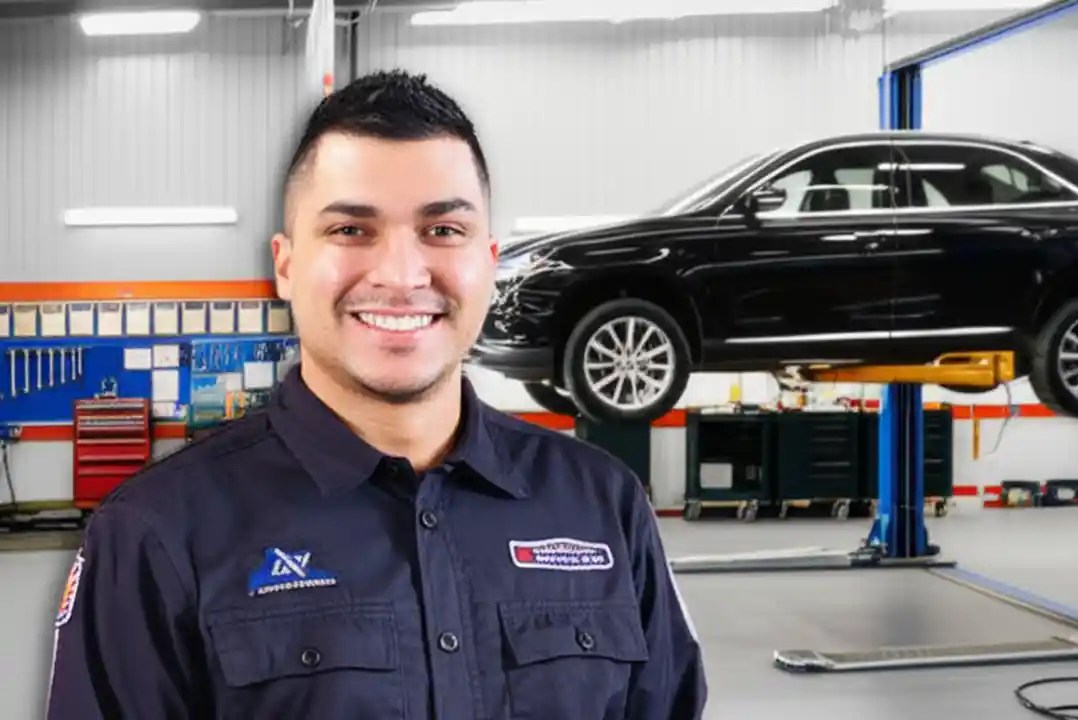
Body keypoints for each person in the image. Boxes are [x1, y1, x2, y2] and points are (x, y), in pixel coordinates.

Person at [45, 69, 707, 720]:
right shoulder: (154, 535)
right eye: (351, 230)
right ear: (285, 264)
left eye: (443, 230)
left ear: (488, 261)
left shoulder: (604, 507)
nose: (400, 274)